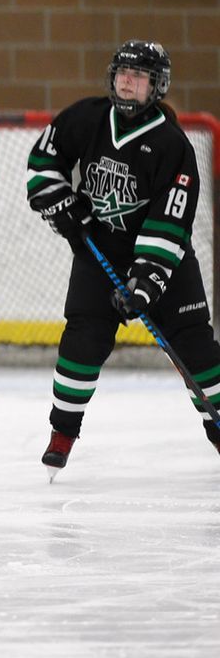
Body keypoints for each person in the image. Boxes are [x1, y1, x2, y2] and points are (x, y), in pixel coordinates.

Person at [27, 39, 220, 479]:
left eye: (139, 77)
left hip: (164, 261)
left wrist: (145, 283)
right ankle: (62, 432)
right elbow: (43, 161)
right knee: (82, 340)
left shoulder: (172, 144)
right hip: (98, 251)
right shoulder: (86, 117)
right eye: (123, 74)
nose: (128, 83)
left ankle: (217, 426)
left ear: (157, 86)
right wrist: (60, 203)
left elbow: (169, 222)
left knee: (194, 348)